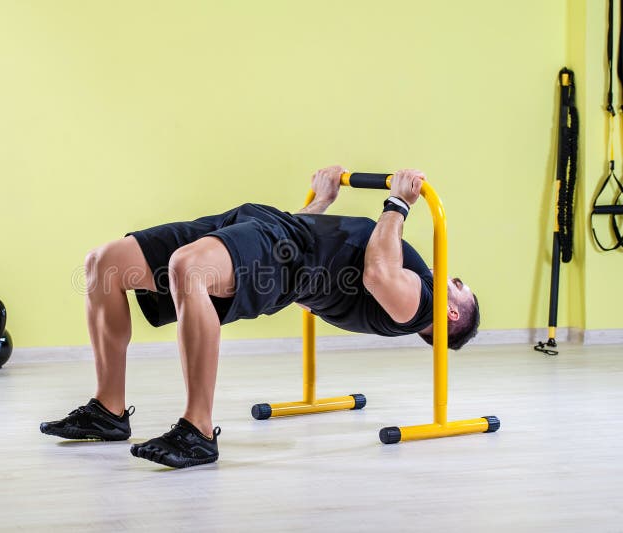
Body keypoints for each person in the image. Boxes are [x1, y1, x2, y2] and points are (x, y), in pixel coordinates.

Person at [40, 167, 480, 468]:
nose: (454, 277)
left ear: (451, 312)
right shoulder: (408, 284)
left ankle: (198, 431)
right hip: (274, 228)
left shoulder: (418, 306)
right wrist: (323, 201)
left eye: (460, 285)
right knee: (105, 263)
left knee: (187, 268)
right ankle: (107, 410)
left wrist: (399, 202)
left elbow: (378, 273)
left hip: (281, 250)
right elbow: (312, 246)